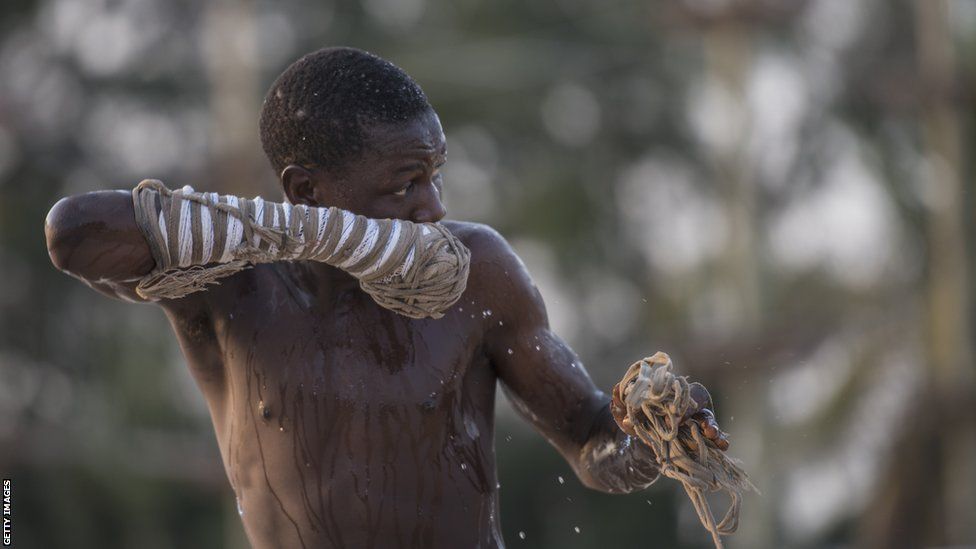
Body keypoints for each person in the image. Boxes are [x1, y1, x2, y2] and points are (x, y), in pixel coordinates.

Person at [44, 47, 729, 548]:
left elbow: (589, 441)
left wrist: (652, 440)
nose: (433, 209)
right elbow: (72, 234)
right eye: (404, 186)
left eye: (435, 175)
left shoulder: (477, 271)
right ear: (306, 191)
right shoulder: (227, 286)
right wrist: (317, 236)